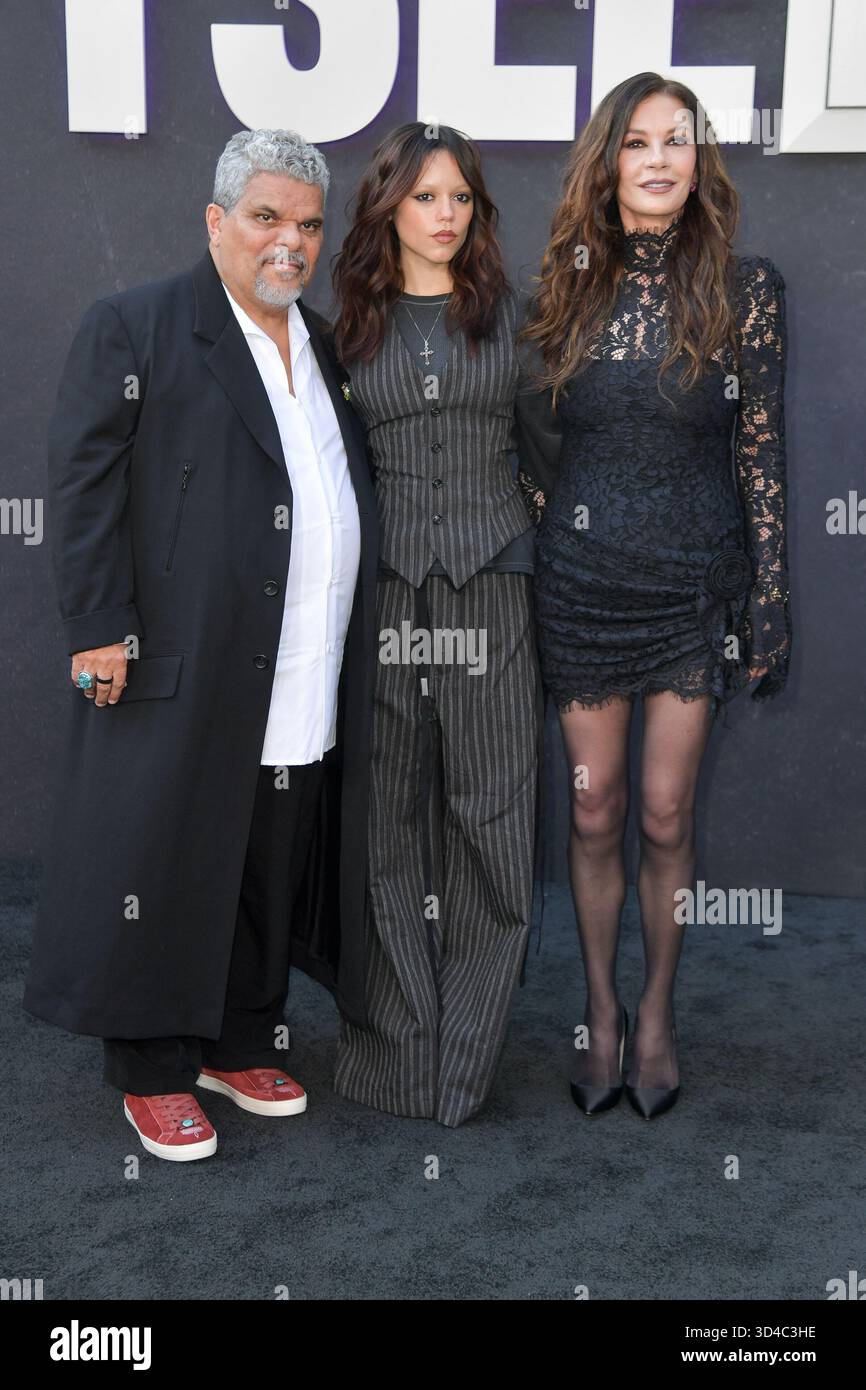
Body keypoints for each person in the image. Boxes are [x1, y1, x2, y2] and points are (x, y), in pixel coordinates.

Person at [23, 129, 377, 1161]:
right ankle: (151, 1068)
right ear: (216, 222)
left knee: (266, 848)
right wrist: (97, 628)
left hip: (302, 656)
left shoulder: (323, 346)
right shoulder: (136, 326)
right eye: (267, 218)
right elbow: (82, 485)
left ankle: (235, 1034)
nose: (290, 242)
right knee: (163, 852)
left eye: (309, 224)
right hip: (180, 654)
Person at [518, 73, 791, 1119]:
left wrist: (768, 591)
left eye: (677, 141)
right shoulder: (562, 286)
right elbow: (531, 444)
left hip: (691, 582)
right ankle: (596, 1012)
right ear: (609, 160)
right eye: (638, 142)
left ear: (698, 159)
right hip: (583, 582)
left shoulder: (743, 286)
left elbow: (758, 449)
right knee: (592, 808)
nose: (659, 159)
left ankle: (658, 1014)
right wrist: (553, 525)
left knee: (665, 810)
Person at [329, 123, 545, 1128]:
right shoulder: (349, 329)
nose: (446, 214)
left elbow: (550, 453)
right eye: (425, 197)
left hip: (490, 591)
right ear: (387, 207)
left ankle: (459, 1065)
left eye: (460, 197)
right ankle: (391, 1055)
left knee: (489, 825)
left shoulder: (513, 317)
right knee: (383, 828)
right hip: (383, 601)